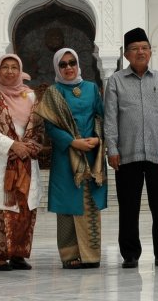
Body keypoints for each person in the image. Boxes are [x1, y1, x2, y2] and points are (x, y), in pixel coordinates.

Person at [104, 27, 158, 269]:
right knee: (128, 207)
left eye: (145, 48)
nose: (141, 52)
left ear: (150, 51)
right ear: (126, 54)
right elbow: (110, 118)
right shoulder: (115, 81)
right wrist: (112, 148)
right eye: (135, 49)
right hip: (127, 153)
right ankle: (130, 254)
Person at [36, 47, 108, 269]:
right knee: (67, 204)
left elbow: (101, 116)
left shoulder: (91, 88)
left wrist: (97, 138)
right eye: (63, 64)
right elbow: (50, 126)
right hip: (66, 156)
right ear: (57, 68)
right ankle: (70, 256)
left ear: (78, 64)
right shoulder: (53, 92)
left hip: (91, 154)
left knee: (90, 202)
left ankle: (91, 254)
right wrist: (72, 142)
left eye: (72, 63)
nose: (68, 67)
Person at [0, 54, 45, 271]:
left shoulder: (31, 97)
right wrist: (12, 145)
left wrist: (27, 147)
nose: (10, 71)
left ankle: (18, 255)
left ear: (20, 70)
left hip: (25, 163)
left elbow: (39, 128)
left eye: (14, 67)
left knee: (24, 210)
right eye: (5, 67)